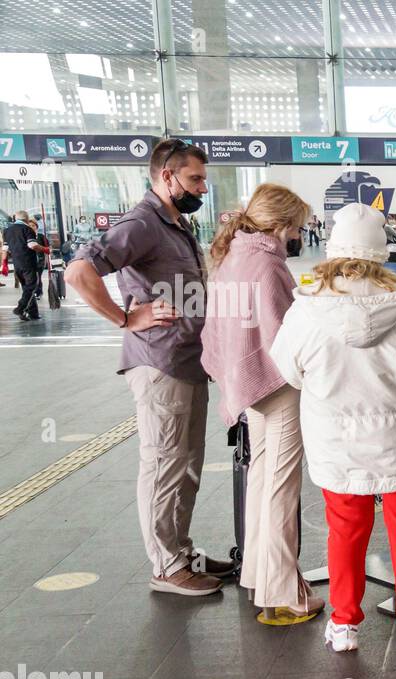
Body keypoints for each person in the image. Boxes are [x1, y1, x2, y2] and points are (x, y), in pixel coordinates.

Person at [270, 202, 396, 653]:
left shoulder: (306, 312)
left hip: (337, 444)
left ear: (330, 253)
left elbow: (288, 373)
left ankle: (345, 624)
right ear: (381, 254)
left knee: (345, 531)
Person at [66, 138, 237, 596]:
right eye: (195, 178)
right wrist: (125, 318)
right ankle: (166, 566)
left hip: (186, 360)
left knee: (186, 465)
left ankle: (182, 553)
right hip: (159, 361)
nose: (202, 187)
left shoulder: (174, 223)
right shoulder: (142, 222)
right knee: (164, 464)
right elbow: (78, 271)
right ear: (167, 176)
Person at [201, 183, 322, 624]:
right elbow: (281, 337)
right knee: (281, 487)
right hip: (278, 385)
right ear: (282, 225)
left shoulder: (233, 255)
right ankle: (284, 590)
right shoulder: (267, 264)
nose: (300, 236)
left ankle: (259, 574)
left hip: (247, 383)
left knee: (261, 481)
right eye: (299, 228)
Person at [3, 211, 47, 321]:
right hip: (28, 263)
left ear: (15, 218)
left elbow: (5, 249)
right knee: (32, 286)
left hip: (17, 264)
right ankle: (20, 307)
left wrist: (4, 263)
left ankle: (33, 313)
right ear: (27, 219)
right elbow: (32, 245)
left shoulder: (7, 230)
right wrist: (45, 249)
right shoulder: (27, 229)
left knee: (26, 288)